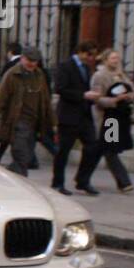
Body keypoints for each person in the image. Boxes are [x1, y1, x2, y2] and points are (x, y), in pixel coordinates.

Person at [0, 46, 52, 177]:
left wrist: (52, 122)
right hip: (17, 122)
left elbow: (45, 101)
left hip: (34, 123)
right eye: (29, 60)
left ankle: (7, 176)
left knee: (24, 158)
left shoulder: (39, 75)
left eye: (35, 61)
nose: (31, 64)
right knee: (21, 157)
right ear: (22, 58)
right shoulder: (12, 74)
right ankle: (21, 183)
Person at [51, 40, 103, 195]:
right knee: (63, 151)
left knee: (93, 147)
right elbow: (60, 88)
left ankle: (83, 180)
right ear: (80, 52)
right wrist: (82, 95)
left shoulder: (87, 68)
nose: (91, 58)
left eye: (93, 55)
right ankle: (58, 183)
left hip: (84, 115)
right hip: (69, 116)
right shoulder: (65, 66)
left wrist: (91, 95)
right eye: (89, 54)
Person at [90, 48, 134, 193]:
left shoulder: (121, 74)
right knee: (110, 149)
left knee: (103, 149)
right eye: (112, 58)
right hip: (107, 118)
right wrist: (115, 100)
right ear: (105, 60)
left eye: (117, 58)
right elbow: (97, 98)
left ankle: (82, 177)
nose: (116, 61)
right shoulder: (99, 76)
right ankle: (124, 182)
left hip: (119, 118)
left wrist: (130, 95)